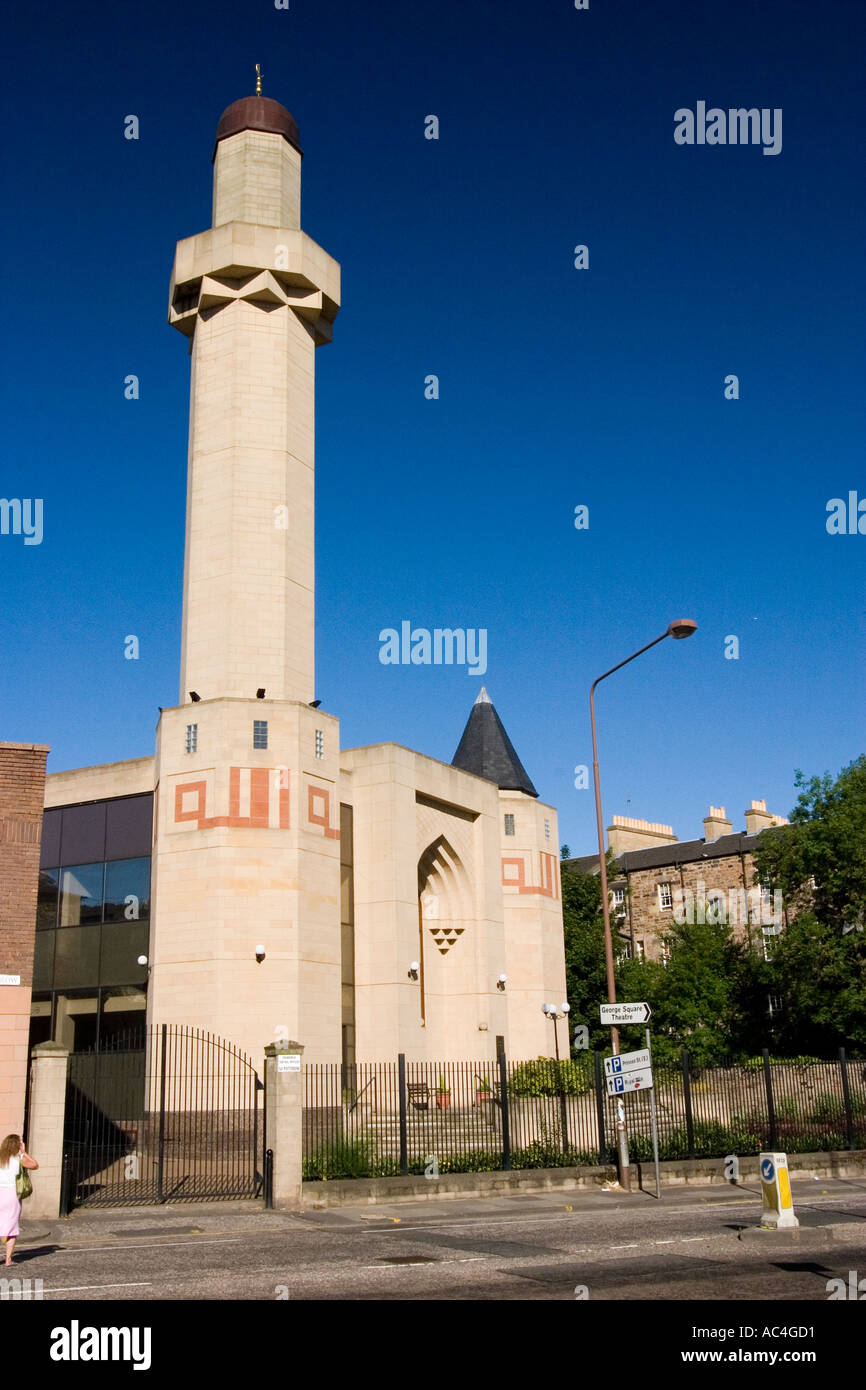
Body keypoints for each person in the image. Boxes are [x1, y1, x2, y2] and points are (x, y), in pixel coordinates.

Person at [0, 1134, 38, 1267]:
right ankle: (8, 1260)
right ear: (17, 1145)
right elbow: (34, 1165)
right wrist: (24, 1152)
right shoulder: (18, 1158)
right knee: (11, 1227)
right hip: (11, 1195)